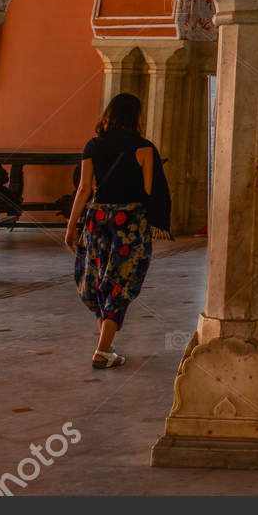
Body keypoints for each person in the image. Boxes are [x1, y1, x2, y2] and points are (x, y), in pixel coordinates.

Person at [65, 92, 162, 369]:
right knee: (122, 281)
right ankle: (103, 349)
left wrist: (71, 226)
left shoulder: (93, 146)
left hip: (97, 218)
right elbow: (147, 191)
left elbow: (84, 188)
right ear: (136, 117)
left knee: (97, 279)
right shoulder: (144, 148)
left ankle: (106, 347)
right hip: (130, 221)